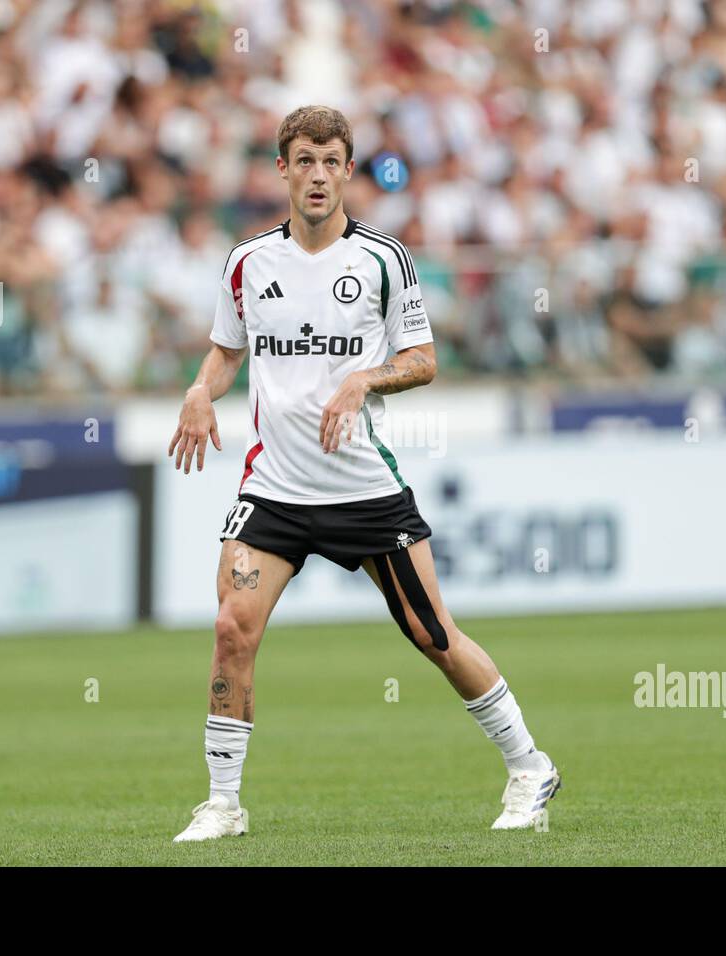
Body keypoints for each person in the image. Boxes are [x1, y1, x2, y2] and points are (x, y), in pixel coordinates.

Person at [166, 106, 559, 842]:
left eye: (330, 161)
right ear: (281, 170)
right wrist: (197, 390)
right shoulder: (248, 262)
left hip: (362, 490)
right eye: (303, 161)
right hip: (274, 490)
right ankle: (223, 803)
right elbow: (225, 351)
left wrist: (365, 381)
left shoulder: (383, 260)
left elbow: (424, 360)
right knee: (230, 628)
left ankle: (529, 764)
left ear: (349, 171)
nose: (317, 175)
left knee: (434, 635)